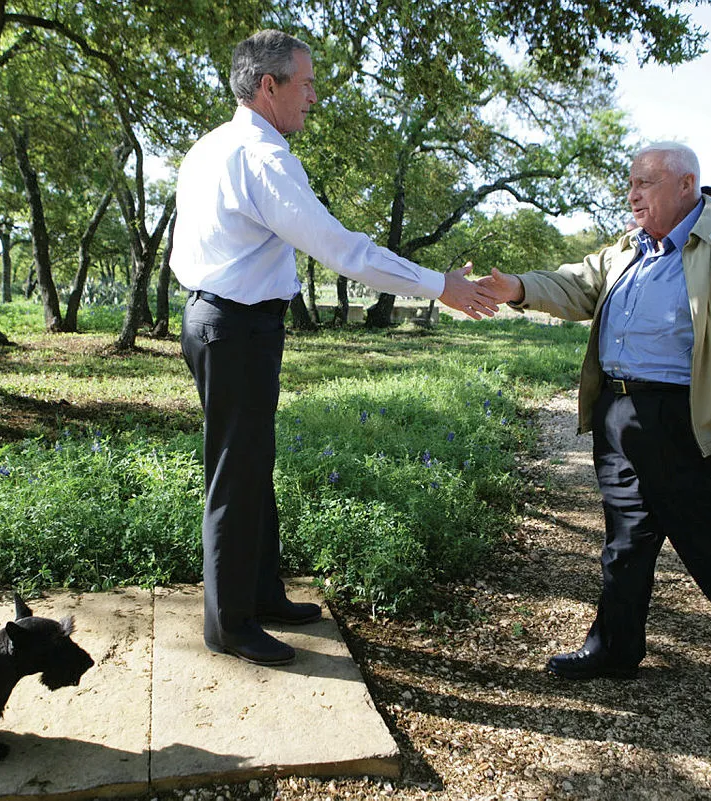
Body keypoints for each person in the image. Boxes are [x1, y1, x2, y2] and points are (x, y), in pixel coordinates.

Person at [170, 29, 500, 667]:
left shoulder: (211, 146)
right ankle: (229, 623)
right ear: (269, 85)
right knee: (235, 476)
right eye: (308, 83)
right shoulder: (262, 158)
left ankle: (260, 594)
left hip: (217, 320)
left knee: (249, 465)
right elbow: (344, 251)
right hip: (235, 329)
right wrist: (441, 286)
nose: (314, 98)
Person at [477, 143, 711, 702]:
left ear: (686, 184)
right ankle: (615, 646)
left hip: (695, 418)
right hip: (620, 412)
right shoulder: (629, 248)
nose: (633, 194)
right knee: (627, 540)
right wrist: (518, 288)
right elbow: (578, 285)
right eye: (630, 183)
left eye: (645, 183)